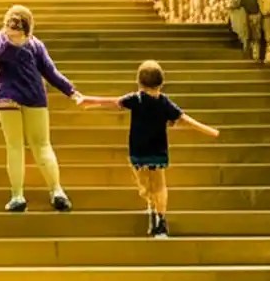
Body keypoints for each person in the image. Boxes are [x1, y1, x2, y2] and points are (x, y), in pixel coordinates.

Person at [80, 60, 221, 238]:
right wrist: (209, 131)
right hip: (151, 151)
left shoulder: (145, 100)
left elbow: (112, 102)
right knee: (152, 187)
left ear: (139, 82)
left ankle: (159, 219)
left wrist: (88, 101)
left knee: (152, 186)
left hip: (143, 151)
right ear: (161, 83)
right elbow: (184, 119)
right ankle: (156, 211)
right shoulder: (153, 101)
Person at [0, 5, 80, 213]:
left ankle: (17, 196)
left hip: (7, 96)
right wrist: (72, 92)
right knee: (42, 144)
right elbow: (51, 72)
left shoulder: (1, 42)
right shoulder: (36, 45)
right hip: (34, 96)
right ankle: (57, 191)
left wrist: (0, 36)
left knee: (14, 146)